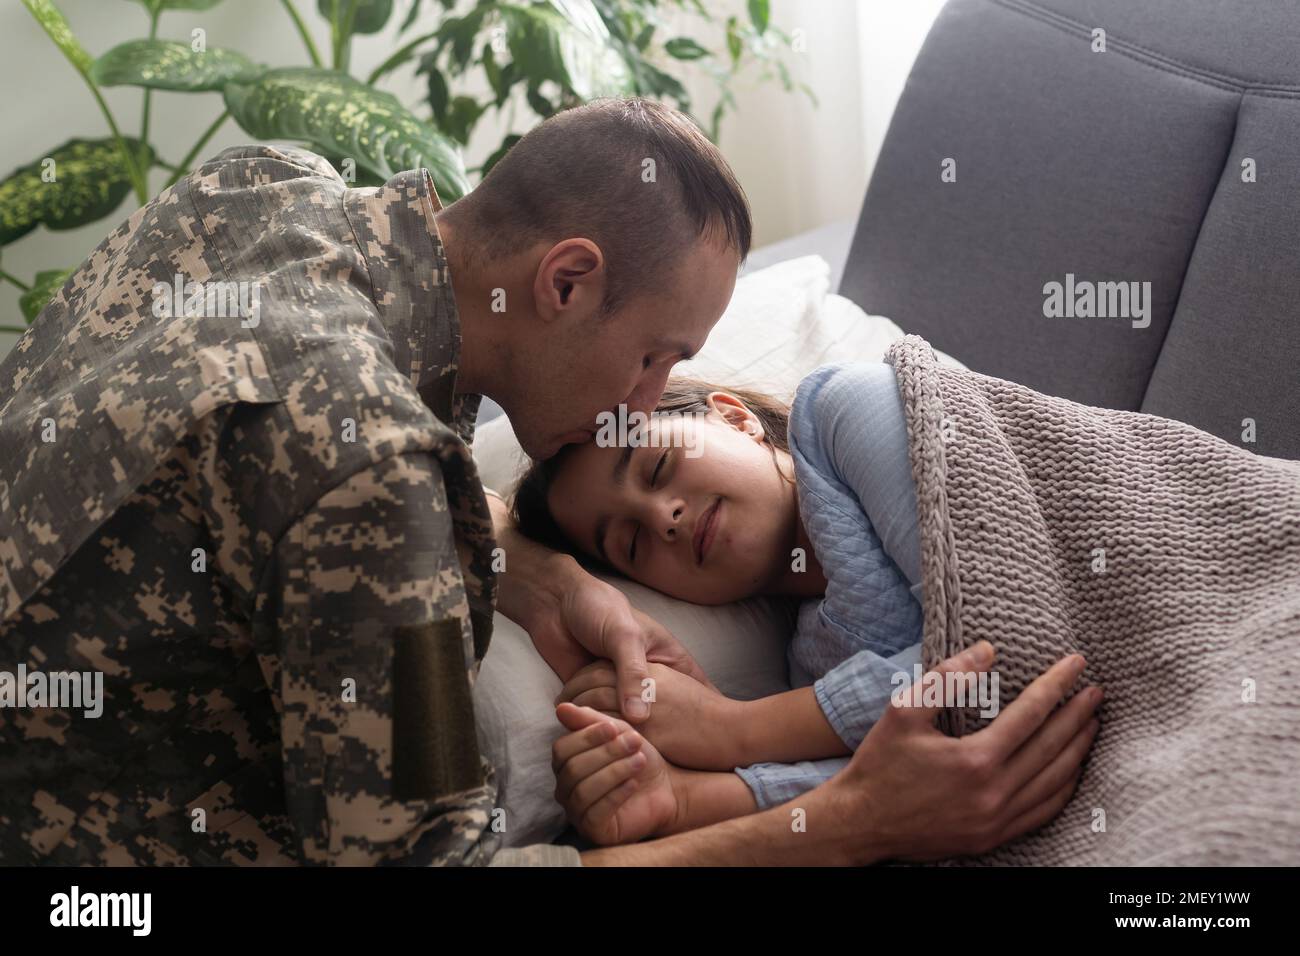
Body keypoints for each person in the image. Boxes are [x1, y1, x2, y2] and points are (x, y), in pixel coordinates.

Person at [0, 96, 1097, 866]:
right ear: (566, 280)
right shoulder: (376, 474)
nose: (655, 389)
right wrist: (855, 823)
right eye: (657, 353)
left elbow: (274, 484)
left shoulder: (260, 186)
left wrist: (533, 575)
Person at [513, 365, 1101, 852]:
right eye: (631, 545)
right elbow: (908, 795)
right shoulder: (813, 663)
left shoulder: (849, 411)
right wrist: (680, 799)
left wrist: (729, 730)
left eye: (660, 466)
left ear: (737, 419)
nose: (663, 516)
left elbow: (1011, 646)